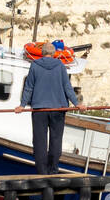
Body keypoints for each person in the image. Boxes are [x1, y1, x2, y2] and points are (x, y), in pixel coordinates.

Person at [19, 43, 81, 174]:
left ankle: (42, 172)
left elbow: (28, 87)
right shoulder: (60, 66)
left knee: (39, 141)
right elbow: (67, 87)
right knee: (56, 139)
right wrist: (77, 104)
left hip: (40, 109)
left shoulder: (35, 65)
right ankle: (53, 169)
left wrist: (22, 105)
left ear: (42, 53)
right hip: (58, 109)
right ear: (53, 54)